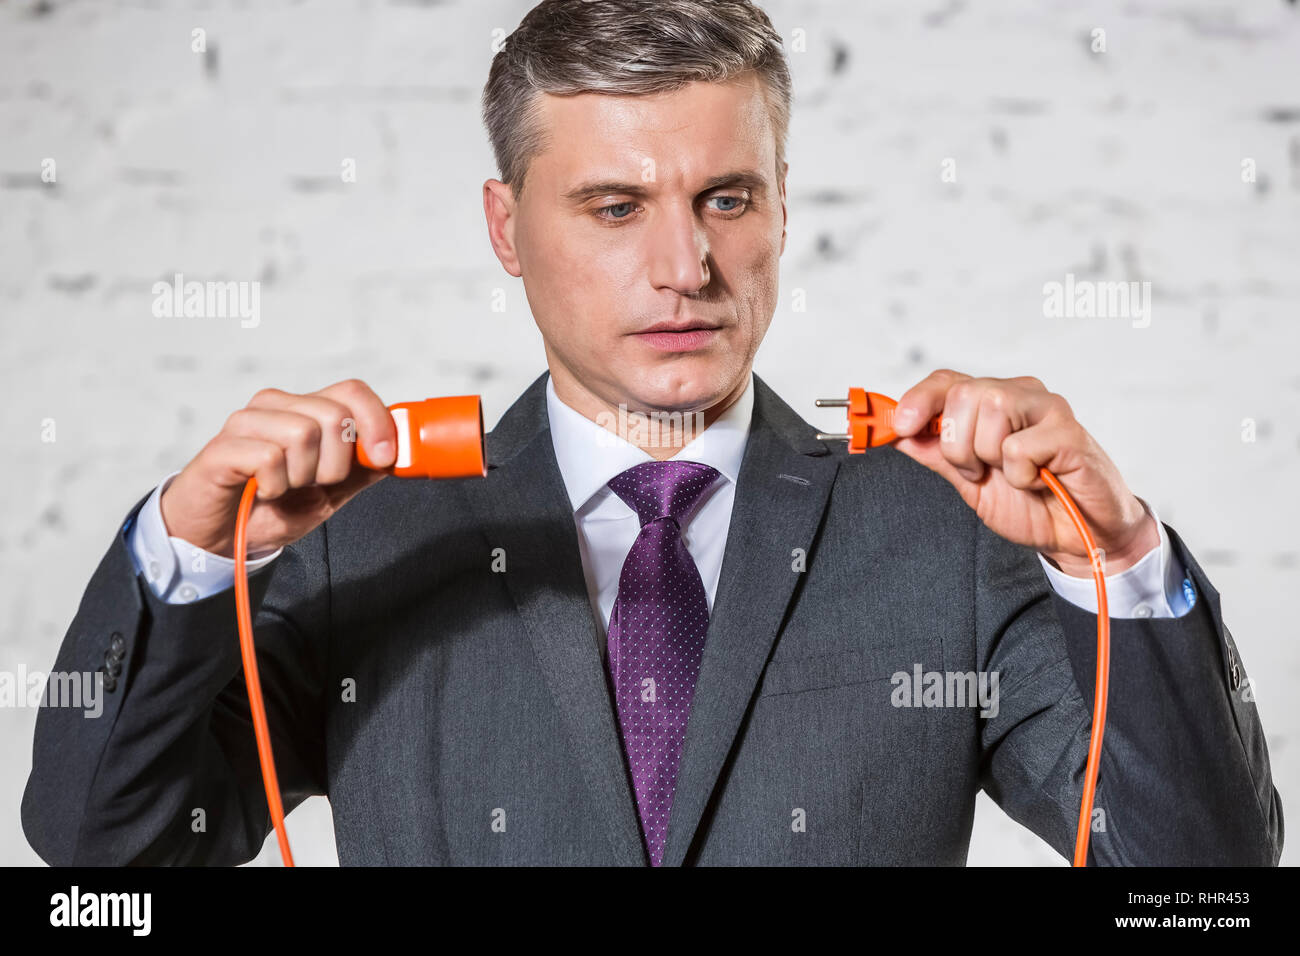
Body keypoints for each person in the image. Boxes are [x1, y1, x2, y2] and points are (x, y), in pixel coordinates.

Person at [22, 0, 1282, 866]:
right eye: (614, 206)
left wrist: (1112, 556)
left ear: (782, 208)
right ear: (507, 228)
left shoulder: (938, 527)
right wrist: (190, 551)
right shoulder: (365, 535)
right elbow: (107, 858)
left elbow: (1195, 875)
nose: (685, 265)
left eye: (725, 197)